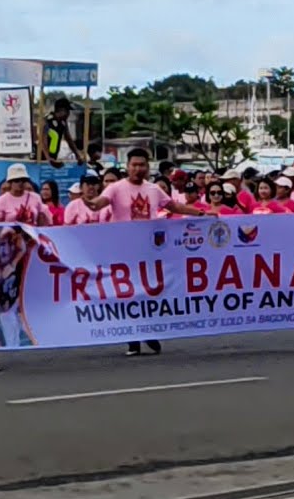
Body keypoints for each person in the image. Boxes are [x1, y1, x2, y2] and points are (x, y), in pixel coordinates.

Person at [85, 147, 208, 355]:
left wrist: (201, 212)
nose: (138, 169)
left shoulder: (153, 189)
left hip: (147, 251)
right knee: (127, 293)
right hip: (122, 251)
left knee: (149, 292)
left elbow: (174, 207)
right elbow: (101, 203)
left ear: (148, 167)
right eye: (134, 165)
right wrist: (92, 203)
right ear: (127, 167)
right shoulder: (115, 188)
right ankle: (133, 338)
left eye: (142, 165)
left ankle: (147, 330)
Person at [42, 98, 84, 167]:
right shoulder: (47, 121)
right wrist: (48, 158)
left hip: (53, 158)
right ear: (61, 110)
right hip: (42, 158)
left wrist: (78, 155)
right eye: (67, 111)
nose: (69, 114)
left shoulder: (63, 122)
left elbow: (69, 139)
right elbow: (43, 141)